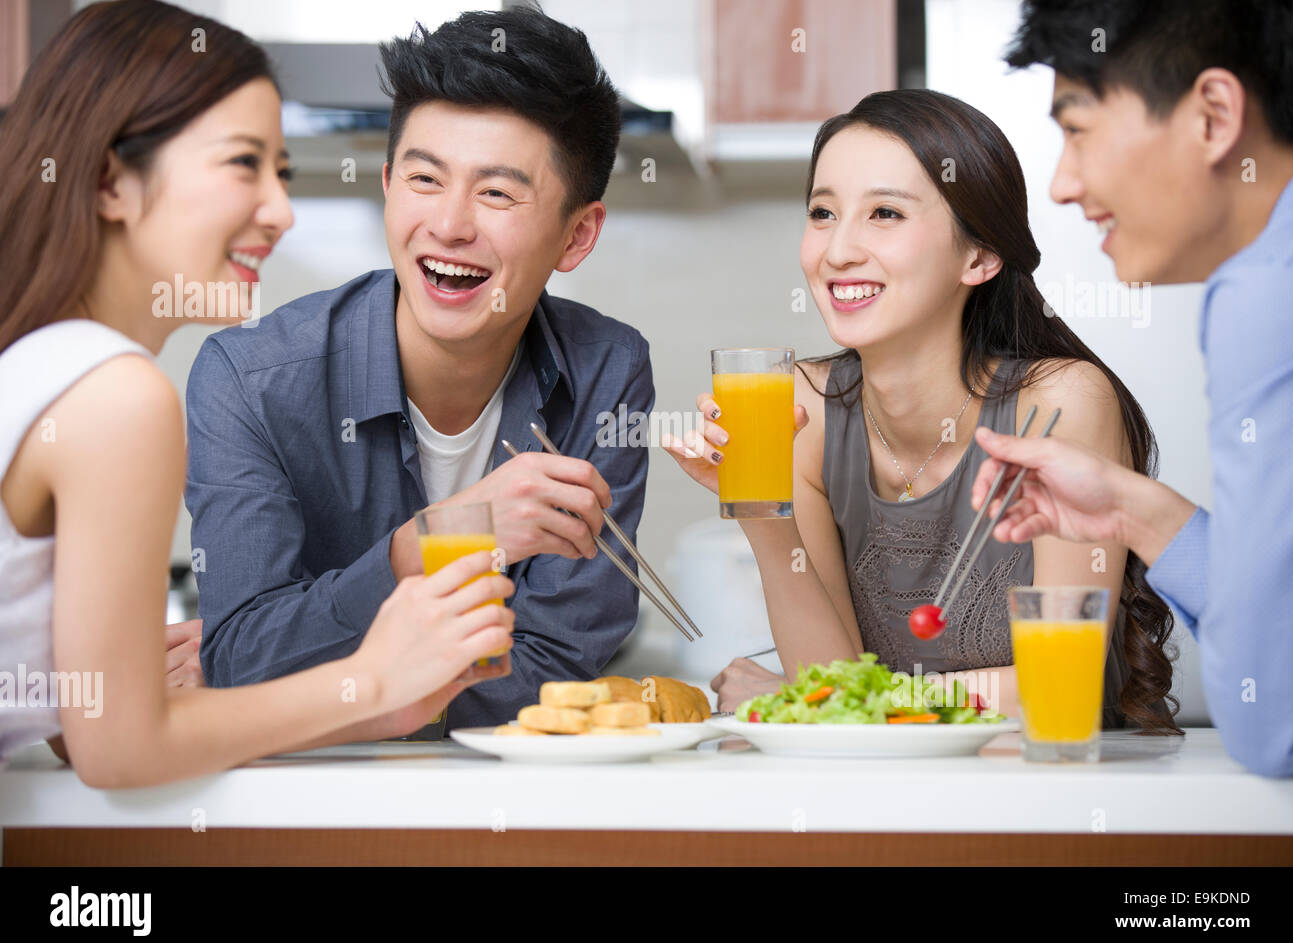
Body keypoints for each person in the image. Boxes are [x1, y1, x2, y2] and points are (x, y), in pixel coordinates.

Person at [0, 0, 515, 784]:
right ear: (110, 180)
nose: (280, 212)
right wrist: (371, 675)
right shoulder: (115, 397)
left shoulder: (42, 366)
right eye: (244, 164)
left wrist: (383, 702)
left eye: (282, 172)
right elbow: (119, 749)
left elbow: (86, 724)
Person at [184, 7, 652, 733]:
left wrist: (342, 692)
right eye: (425, 178)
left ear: (577, 233)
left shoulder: (607, 372)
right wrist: (434, 541)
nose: (449, 224)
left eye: (497, 193)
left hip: (504, 799)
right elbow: (245, 654)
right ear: (387, 183)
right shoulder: (250, 379)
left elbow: (560, 670)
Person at [665, 89, 1182, 733]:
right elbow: (830, 691)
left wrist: (812, 698)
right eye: (822, 213)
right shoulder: (802, 406)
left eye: (884, 213)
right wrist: (760, 512)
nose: (838, 250)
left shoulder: (1059, 406)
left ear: (980, 255)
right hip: (889, 794)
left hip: (1059, 788)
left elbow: (1058, 688)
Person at [970, 0, 1293, 776]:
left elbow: (1273, 720)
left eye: (1077, 128)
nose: (1060, 183)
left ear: (1214, 116)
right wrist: (1126, 510)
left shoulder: (1265, 295)